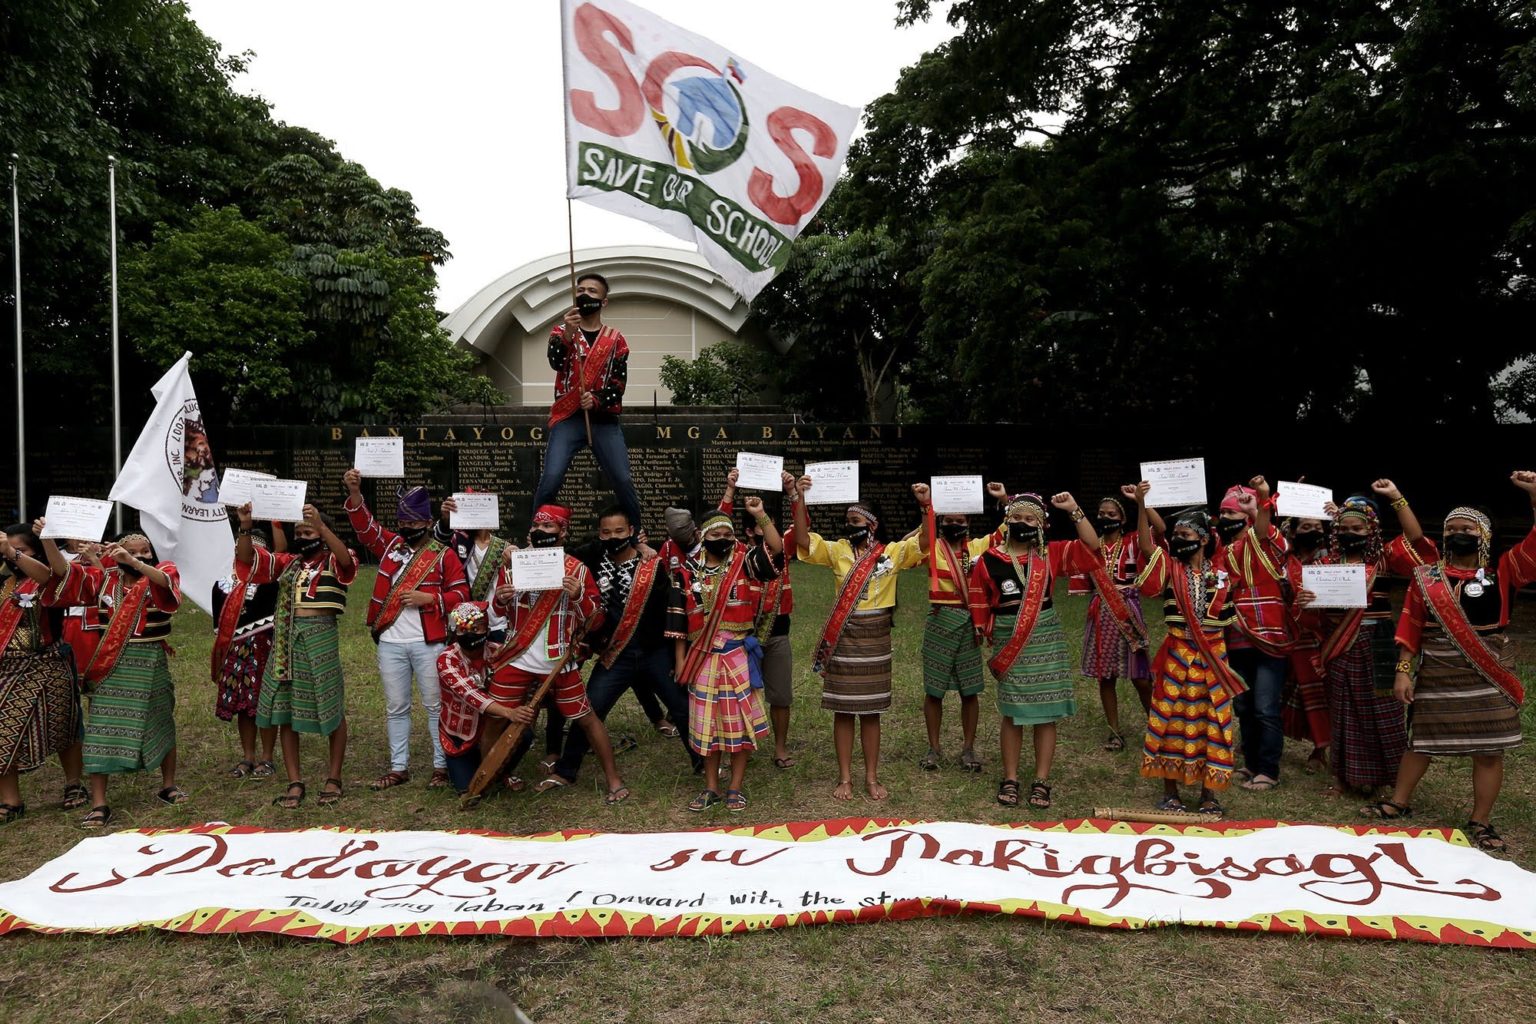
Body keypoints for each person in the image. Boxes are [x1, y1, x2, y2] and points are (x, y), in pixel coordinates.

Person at [1360, 471, 1536, 853]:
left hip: (1487, 669)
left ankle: (1481, 820)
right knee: (1420, 740)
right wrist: (1404, 672)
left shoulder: (1503, 572)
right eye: (1452, 527)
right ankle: (1399, 801)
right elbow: (1412, 625)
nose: (1459, 533)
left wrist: (1535, 495)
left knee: (1490, 749)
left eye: (1467, 528)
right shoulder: (1426, 577)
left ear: (1484, 536)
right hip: (1437, 667)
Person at [792, 477, 932, 801]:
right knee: (843, 710)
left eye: (855, 521)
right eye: (847, 522)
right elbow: (802, 539)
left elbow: (924, 541)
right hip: (845, 638)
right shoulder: (838, 550)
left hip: (875, 639)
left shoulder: (892, 553)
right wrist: (798, 498)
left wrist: (925, 505)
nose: (849, 526)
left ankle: (871, 777)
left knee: (871, 711)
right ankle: (844, 778)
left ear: (871, 525)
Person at [544, 504, 699, 790]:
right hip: (615, 655)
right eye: (606, 532)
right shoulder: (590, 558)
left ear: (631, 531)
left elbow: (672, 611)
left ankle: (703, 763)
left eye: (619, 531)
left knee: (681, 707)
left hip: (655, 653)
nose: (613, 536)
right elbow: (553, 558)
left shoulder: (652, 566)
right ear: (599, 535)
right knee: (589, 709)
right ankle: (566, 771)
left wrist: (678, 655)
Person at [968, 492, 1103, 809]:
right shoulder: (989, 559)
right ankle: (1011, 778)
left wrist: (1074, 510)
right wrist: (981, 627)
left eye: (1030, 519)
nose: (1022, 524)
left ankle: (1041, 780)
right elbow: (978, 596)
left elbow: (1093, 546)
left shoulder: (1051, 554)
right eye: (1016, 518)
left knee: (1046, 713)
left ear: (1042, 524)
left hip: (1045, 636)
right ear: (1006, 521)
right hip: (1009, 639)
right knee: (1013, 713)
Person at [41, 530, 184, 828]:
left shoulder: (162, 570)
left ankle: (168, 785)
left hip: (151, 661)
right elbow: (63, 572)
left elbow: (165, 583)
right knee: (101, 727)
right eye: (134, 551)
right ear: (115, 553)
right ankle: (99, 802)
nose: (141, 556)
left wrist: (133, 560)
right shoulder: (104, 579)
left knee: (160, 720)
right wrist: (48, 541)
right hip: (112, 664)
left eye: (146, 550)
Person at [1293, 484, 1427, 799]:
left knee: (1383, 709)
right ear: (1335, 532)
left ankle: (1387, 777)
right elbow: (1312, 619)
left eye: (1358, 528)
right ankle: (1342, 778)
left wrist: (1397, 497)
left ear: (1372, 530)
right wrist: (1304, 601)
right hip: (1338, 644)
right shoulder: (1323, 567)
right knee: (1343, 710)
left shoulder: (1384, 559)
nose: (1351, 533)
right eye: (1345, 528)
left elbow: (1416, 539)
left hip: (1378, 641)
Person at [344, 471, 470, 791]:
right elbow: (365, 529)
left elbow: (462, 596)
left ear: (427, 524)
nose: (408, 529)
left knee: (434, 705)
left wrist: (431, 598)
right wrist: (355, 491)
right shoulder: (391, 547)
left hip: (430, 642)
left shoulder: (444, 555)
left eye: (414, 524)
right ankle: (398, 766)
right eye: (404, 523)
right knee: (396, 706)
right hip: (391, 641)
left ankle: (441, 765)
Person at [495, 505, 628, 804]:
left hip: (557, 659)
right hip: (516, 656)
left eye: (548, 528)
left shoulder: (577, 570)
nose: (540, 532)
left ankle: (614, 779)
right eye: (537, 527)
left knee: (586, 718)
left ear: (563, 532)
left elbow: (596, 621)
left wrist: (579, 596)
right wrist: (500, 600)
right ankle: (490, 774)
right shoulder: (512, 564)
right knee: (494, 716)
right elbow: (498, 610)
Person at [1132, 483, 1244, 815]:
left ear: (1204, 539)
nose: (1178, 539)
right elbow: (1145, 543)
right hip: (1178, 657)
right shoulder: (1170, 569)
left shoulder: (1223, 574)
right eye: (1176, 534)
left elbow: (1250, 545)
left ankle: (1210, 795)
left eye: (1185, 534)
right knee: (1170, 722)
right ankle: (1171, 793)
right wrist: (1141, 505)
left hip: (1214, 660)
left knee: (1215, 724)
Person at [236, 502, 357, 809]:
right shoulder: (288, 564)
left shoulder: (334, 558)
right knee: (286, 709)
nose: (303, 536)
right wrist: (247, 526)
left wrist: (322, 525)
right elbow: (247, 560)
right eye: (299, 532)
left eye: (309, 531)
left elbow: (346, 561)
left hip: (320, 636)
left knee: (330, 700)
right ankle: (295, 780)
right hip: (286, 640)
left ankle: (334, 777)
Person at [675, 499, 783, 811]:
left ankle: (735, 787)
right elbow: (679, 623)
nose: (723, 538)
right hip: (703, 659)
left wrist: (760, 514)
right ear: (702, 536)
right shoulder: (686, 573)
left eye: (728, 532)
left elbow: (774, 547)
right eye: (716, 533)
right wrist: (681, 662)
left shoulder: (744, 564)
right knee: (707, 725)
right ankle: (711, 787)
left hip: (736, 655)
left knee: (738, 725)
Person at [530, 272, 644, 535]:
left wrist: (595, 400)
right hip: (569, 418)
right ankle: (534, 532)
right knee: (551, 477)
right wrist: (569, 334)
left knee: (623, 479)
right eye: (580, 290)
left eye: (592, 291)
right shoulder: (561, 331)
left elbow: (618, 387)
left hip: (603, 421)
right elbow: (556, 363)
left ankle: (637, 534)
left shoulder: (616, 339)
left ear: (604, 301)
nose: (585, 295)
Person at [920, 481, 1007, 773]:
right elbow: (921, 539)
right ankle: (934, 748)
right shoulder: (932, 546)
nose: (953, 524)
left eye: (959, 520)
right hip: (940, 621)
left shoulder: (980, 547)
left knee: (970, 691)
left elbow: (1006, 532)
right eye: (948, 520)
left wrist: (1004, 500)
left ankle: (968, 749)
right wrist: (926, 507)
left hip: (970, 625)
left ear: (969, 522)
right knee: (934, 691)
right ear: (940, 522)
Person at [0, 521, 84, 822]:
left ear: (34, 550)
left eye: (20, 549)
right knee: (2, 731)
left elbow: (50, 575)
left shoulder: (48, 577)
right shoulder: (4, 583)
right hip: (7, 667)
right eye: (8, 549)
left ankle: (74, 785)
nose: (10, 555)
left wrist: (12, 552)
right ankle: (11, 801)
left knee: (64, 726)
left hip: (47, 663)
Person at [1215, 477, 1295, 793]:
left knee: (1264, 705)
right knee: (1245, 706)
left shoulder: (1261, 543)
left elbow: (1264, 533)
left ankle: (1269, 769)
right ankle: (1249, 762)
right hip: (1236, 635)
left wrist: (1259, 503)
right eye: (1224, 515)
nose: (1226, 520)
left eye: (1232, 515)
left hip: (1268, 635)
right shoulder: (1222, 550)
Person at [723, 469, 801, 769]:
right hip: (742, 635)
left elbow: (802, 526)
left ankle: (780, 748)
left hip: (778, 633)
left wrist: (793, 492)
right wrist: (730, 490)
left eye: (769, 524)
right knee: (738, 695)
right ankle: (741, 746)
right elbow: (718, 525)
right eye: (758, 525)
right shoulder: (738, 554)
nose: (766, 530)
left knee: (780, 694)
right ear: (747, 532)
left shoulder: (782, 551)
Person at [1078, 488, 1157, 753]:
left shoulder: (1135, 541)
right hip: (1101, 612)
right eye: (1101, 514)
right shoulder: (1092, 545)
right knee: (1106, 676)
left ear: (1122, 519)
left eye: (1111, 514)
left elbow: (1161, 528)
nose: (1105, 517)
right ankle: (1114, 731)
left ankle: (1157, 728)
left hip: (1128, 611)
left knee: (1142, 677)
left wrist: (1142, 503)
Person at [436, 602, 535, 798]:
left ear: (487, 630)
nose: (470, 633)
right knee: (469, 790)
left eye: (476, 628)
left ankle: (502, 771)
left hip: (494, 726)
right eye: (463, 629)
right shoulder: (446, 659)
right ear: (455, 632)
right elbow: (472, 695)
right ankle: (477, 767)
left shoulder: (498, 650)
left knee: (524, 735)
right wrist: (509, 712)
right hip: (461, 735)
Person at [210, 523, 283, 781]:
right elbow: (218, 625)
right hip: (235, 651)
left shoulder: (273, 583)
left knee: (265, 703)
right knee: (244, 705)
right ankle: (248, 756)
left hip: (264, 647)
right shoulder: (222, 585)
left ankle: (267, 757)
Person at [1280, 510, 1333, 774]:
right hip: (1284, 632)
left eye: (1317, 526)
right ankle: (1269, 740)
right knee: (1281, 691)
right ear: (1294, 530)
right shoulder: (1284, 559)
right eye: (1306, 526)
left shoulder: (1331, 561)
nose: (1312, 530)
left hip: (1318, 635)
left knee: (1314, 692)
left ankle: (1319, 748)